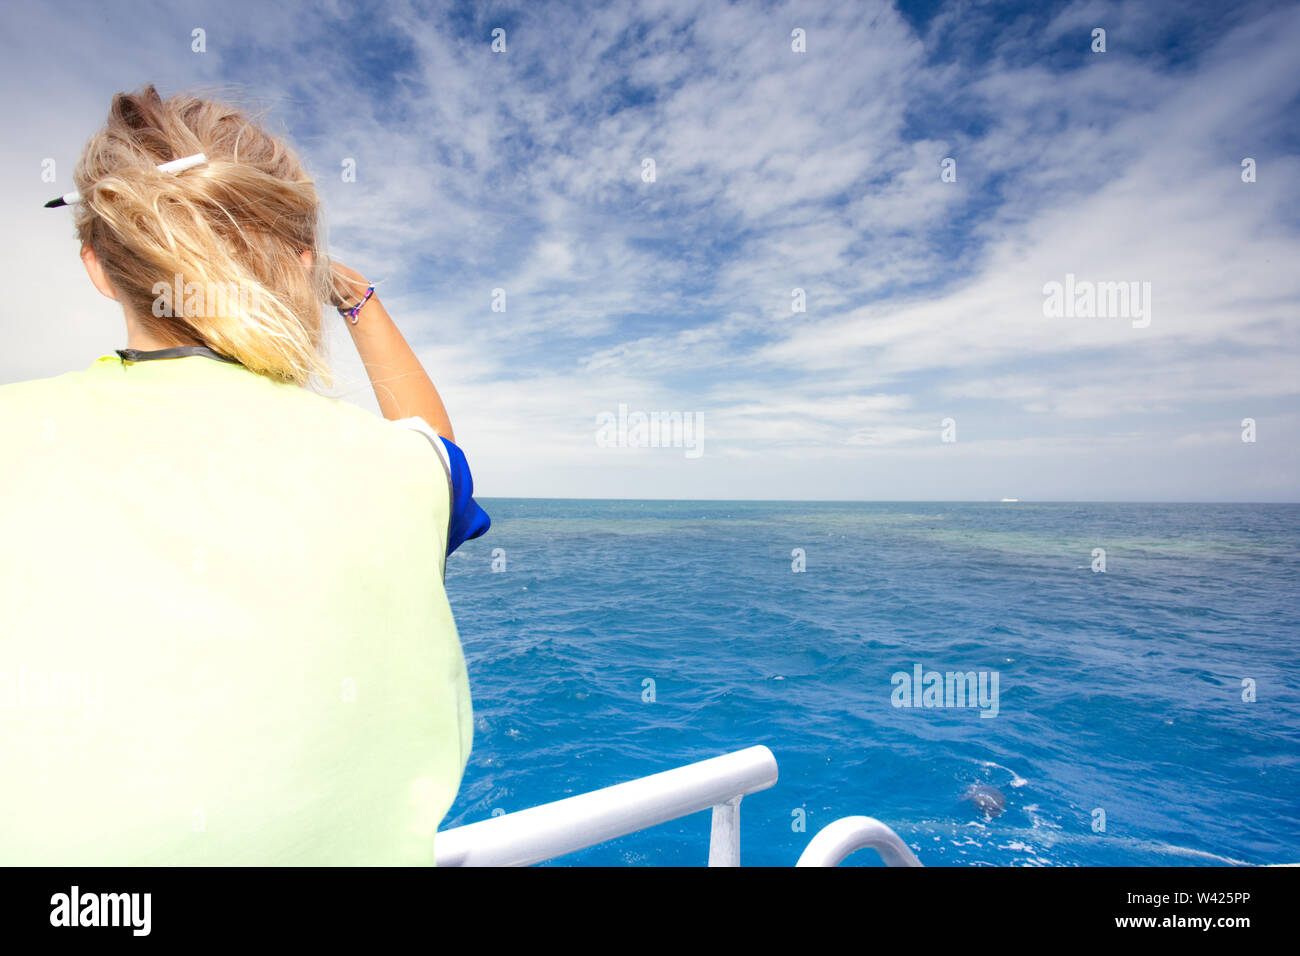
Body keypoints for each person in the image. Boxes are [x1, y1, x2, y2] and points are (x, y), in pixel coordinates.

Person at [0, 84, 488, 864]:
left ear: (97, 266)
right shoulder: (400, 471)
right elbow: (437, 450)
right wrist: (353, 295)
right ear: (301, 264)